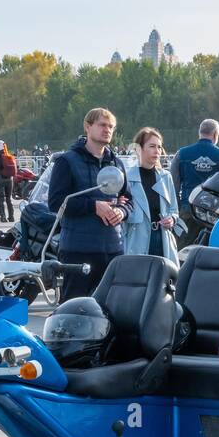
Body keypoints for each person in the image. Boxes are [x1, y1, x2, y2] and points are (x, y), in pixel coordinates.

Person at [47, 107, 133, 300]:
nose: (107, 130)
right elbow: (55, 203)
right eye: (102, 125)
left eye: (111, 126)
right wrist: (93, 206)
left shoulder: (117, 164)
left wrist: (121, 212)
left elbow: (128, 200)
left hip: (113, 250)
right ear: (87, 126)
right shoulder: (67, 161)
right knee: (74, 310)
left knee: (112, 309)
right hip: (78, 251)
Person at [123, 127, 180, 263]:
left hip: (163, 241)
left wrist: (172, 219)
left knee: (164, 282)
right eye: (152, 146)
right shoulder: (126, 178)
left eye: (159, 147)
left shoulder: (166, 177)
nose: (157, 151)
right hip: (136, 242)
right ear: (139, 149)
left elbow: (174, 211)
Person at [170, 118, 219, 244]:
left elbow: (174, 185)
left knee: (183, 248)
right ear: (215, 134)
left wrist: (178, 207)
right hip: (214, 211)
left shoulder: (181, 154)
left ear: (199, 133)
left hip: (188, 208)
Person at [0, 140, 16, 222]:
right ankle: (11, 217)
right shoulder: (9, 155)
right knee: (9, 198)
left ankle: (3, 217)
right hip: (10, 179)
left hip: (0, 179)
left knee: (1, 199)